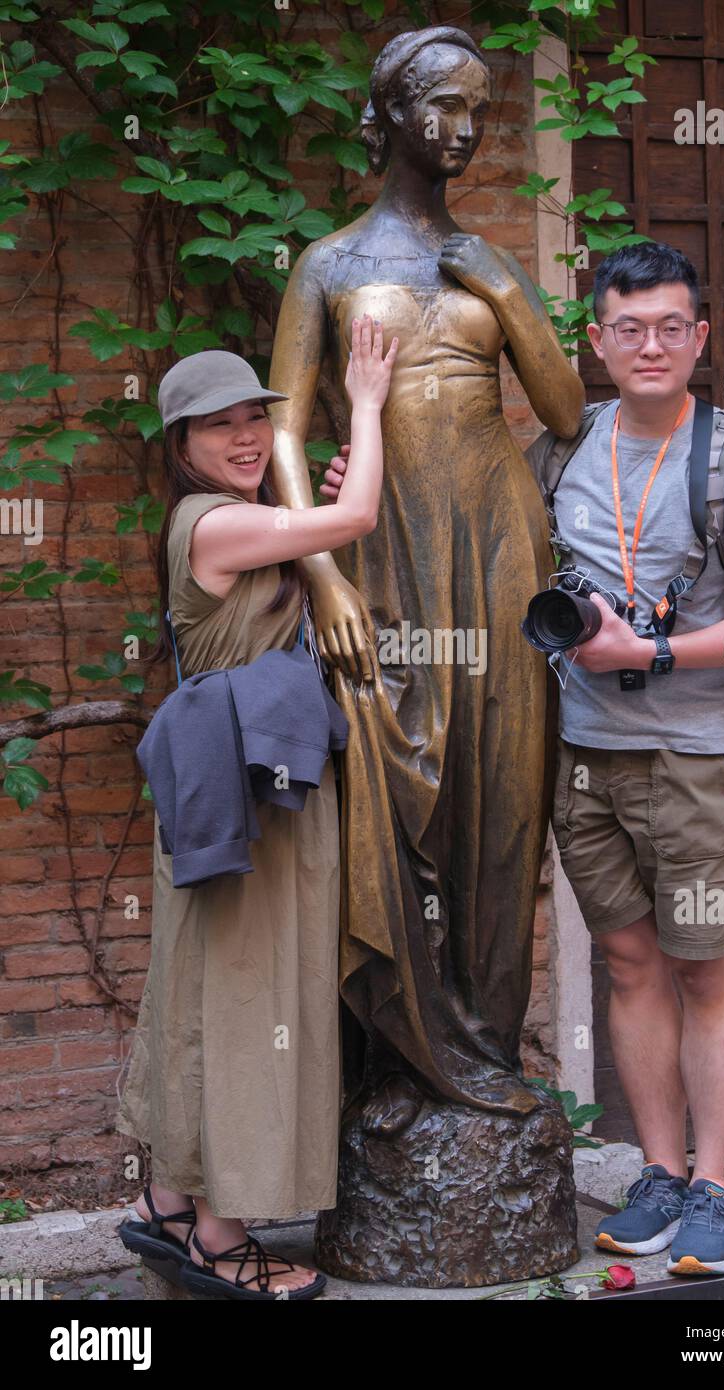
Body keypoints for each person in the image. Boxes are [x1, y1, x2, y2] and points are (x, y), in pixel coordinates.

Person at [265, 26, 585, 1135]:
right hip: (380, 547)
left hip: (496, 540)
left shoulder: (481, 261)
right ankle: (403, 1060)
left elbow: (562, 412)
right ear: (391, 111)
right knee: (398, 792)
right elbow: (285, 431)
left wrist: (507, 287)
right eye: (440, 106)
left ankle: (488, 1050)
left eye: (478, 113)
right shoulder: (330, 264)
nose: (460, 129)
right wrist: (321, 578)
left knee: (502, 790)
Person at [116, 317, 397, 1299]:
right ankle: (222, 1237)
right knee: (249, 1002)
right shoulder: (215, 524)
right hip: (248, 797)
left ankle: (166, 1205)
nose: (241, 438)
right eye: (215, 426)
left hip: (239, 795)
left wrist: (315, 516)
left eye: (252, 419)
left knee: (207, 991)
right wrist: (362, 408)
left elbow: (323, 555)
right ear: (179, 446)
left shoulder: (242, 516)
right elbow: (357, 518)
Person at [547, 242, 724, 1275]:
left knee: (704, 967)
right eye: (626, 327)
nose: (647, 345)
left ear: (697, 337)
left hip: (695, 760)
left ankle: (711, 1183)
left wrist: (649, 648)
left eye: (668, 327)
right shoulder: (569, 444)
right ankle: (654, 1171)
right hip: (584, 759)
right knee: (626, 963)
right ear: (596, 339)